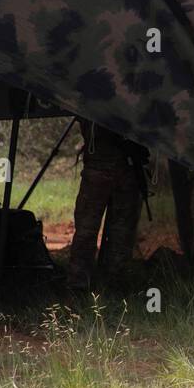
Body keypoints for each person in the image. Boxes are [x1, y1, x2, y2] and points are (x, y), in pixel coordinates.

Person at [67, 119, 148, 289]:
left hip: (123, 168)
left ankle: (112, 282)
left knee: (119, 231)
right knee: (89, 231)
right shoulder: (95, 97)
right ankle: (82, 284)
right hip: (103, 166)